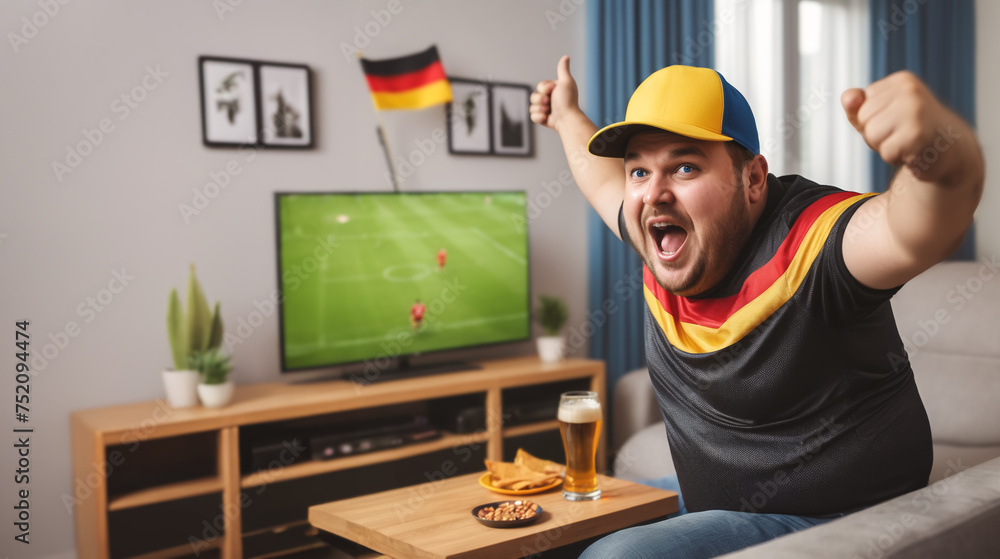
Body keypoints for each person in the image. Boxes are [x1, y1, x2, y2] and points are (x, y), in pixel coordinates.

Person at [529, 56, 984, 557]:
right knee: (546, 530)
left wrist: (942, 155)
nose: (653, 194)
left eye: (685, 167)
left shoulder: (814, 243)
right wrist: (565, 115)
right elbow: (599, 178)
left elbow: (914, 230)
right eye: (639, 170)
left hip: (840, 519)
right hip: (718, 507)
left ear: (752, 180)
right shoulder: (660, 237)